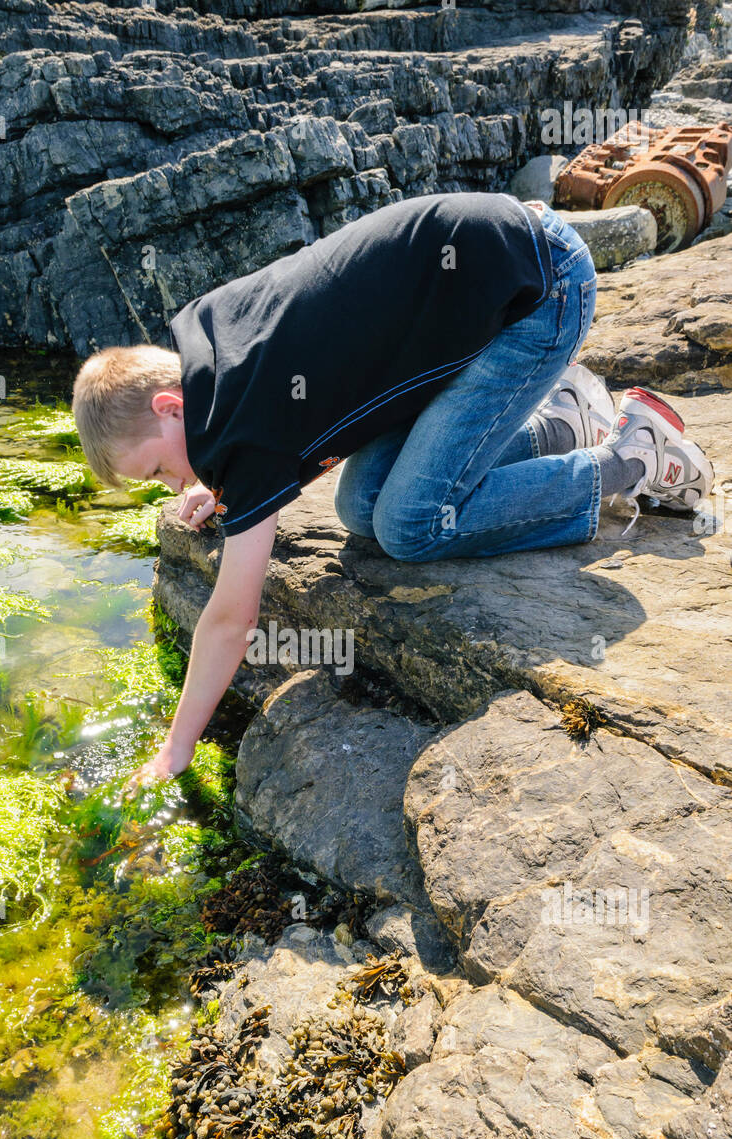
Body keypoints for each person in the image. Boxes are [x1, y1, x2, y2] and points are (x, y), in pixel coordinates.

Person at [71, 192, 714, 790]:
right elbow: (312, 411)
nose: (172, 485)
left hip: (541, 293)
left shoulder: (244, 434)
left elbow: (233, 619)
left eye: (159, 471)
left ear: (169, 407)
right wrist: (228, 491)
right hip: (492, 266)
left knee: (412, 526)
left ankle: (631, 455)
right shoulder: (210, 344)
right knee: (359, 508)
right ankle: (560, 421)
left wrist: (176, 748)